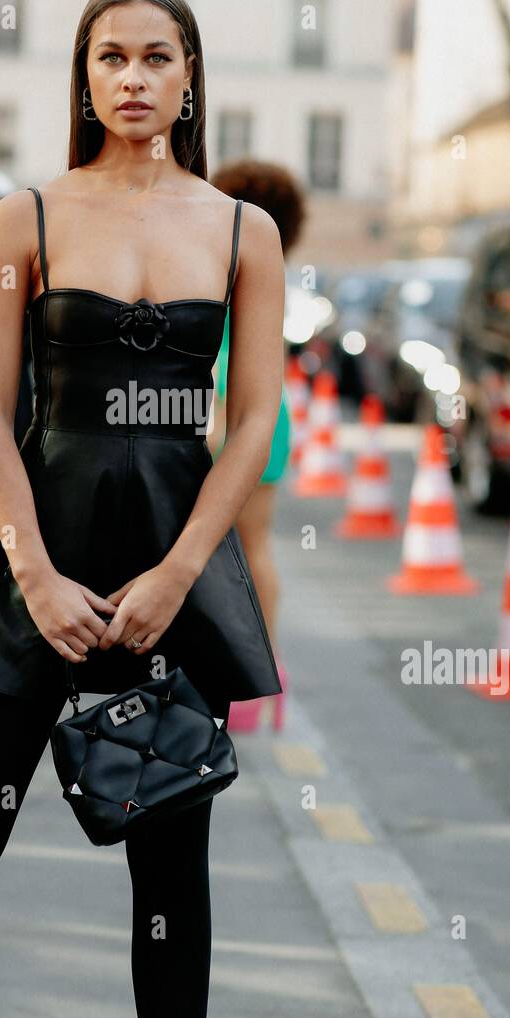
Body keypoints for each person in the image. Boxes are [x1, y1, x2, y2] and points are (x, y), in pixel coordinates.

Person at [0, 0, 285, 1018]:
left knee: (171, 867)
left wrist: (181, 573)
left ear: (188, 78)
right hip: (35, 557)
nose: (131, 78)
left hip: (172, 562)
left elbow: (255, 414)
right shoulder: (23, 213)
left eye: (155, 57)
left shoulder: (244, 230)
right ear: (84, 76)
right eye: (110, 57)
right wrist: (32, 572)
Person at [207, 160, 307, 723]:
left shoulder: (224, 263)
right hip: (270, 414)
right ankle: (267, 675)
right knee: (258, 547)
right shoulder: (273, 265)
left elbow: (221, 356)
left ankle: (240, 681)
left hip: (225, 411)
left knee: (212, 553)